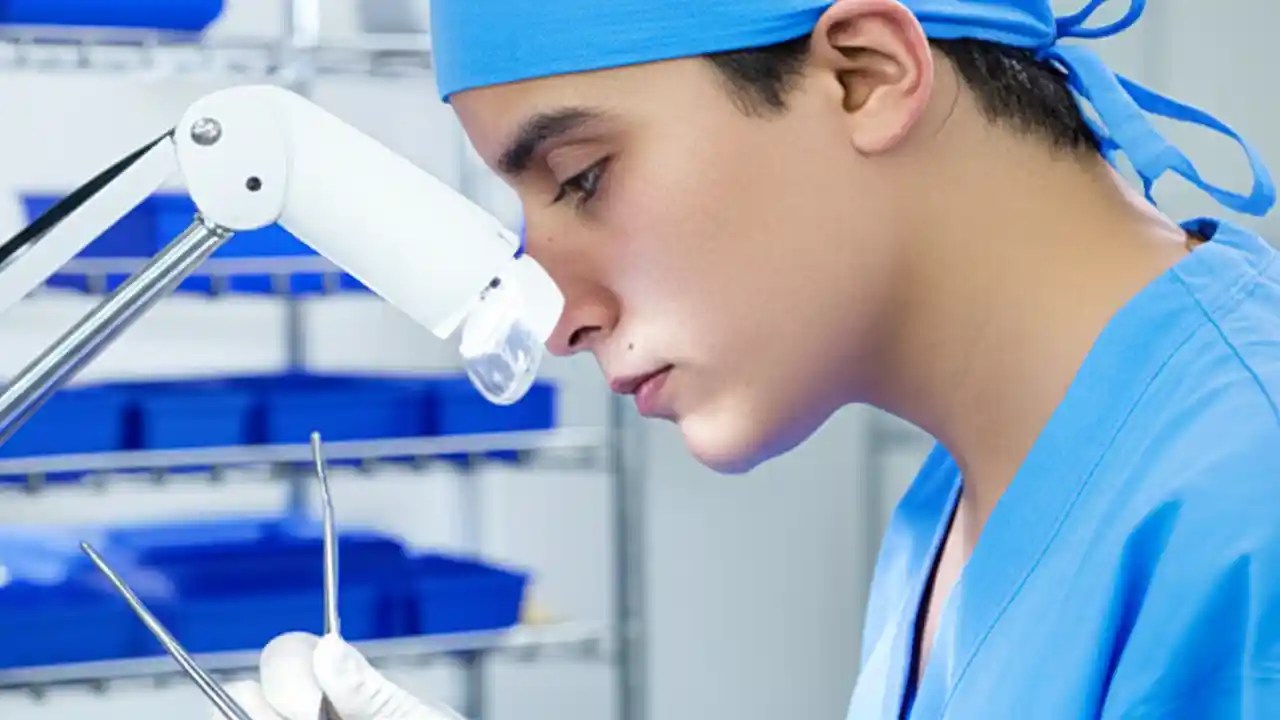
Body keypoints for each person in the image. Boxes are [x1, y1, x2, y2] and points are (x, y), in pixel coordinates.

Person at [215, 0, 1280, 718]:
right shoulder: (963, 500)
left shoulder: (1246, 508)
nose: (552, 318)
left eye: (582, 178)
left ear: (861, 76)